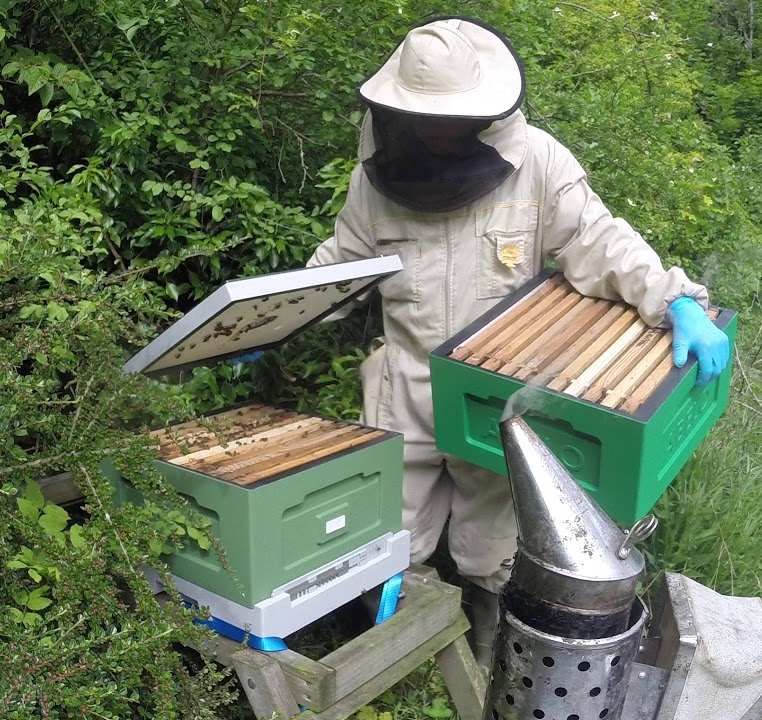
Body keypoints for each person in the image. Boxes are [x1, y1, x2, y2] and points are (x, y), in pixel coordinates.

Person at [303, 16, 730, 669]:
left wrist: (676, 299)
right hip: (405, 393)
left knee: (492, 553)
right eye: (424, 117)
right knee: (386, 543)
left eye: (452, 117)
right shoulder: (375, 179)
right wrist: (280, 312)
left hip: (494, 401)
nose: (438, 132)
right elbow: (342, 264)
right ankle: (388, 661)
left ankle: (487, 661)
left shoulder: (538, 163)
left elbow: (601, 242)